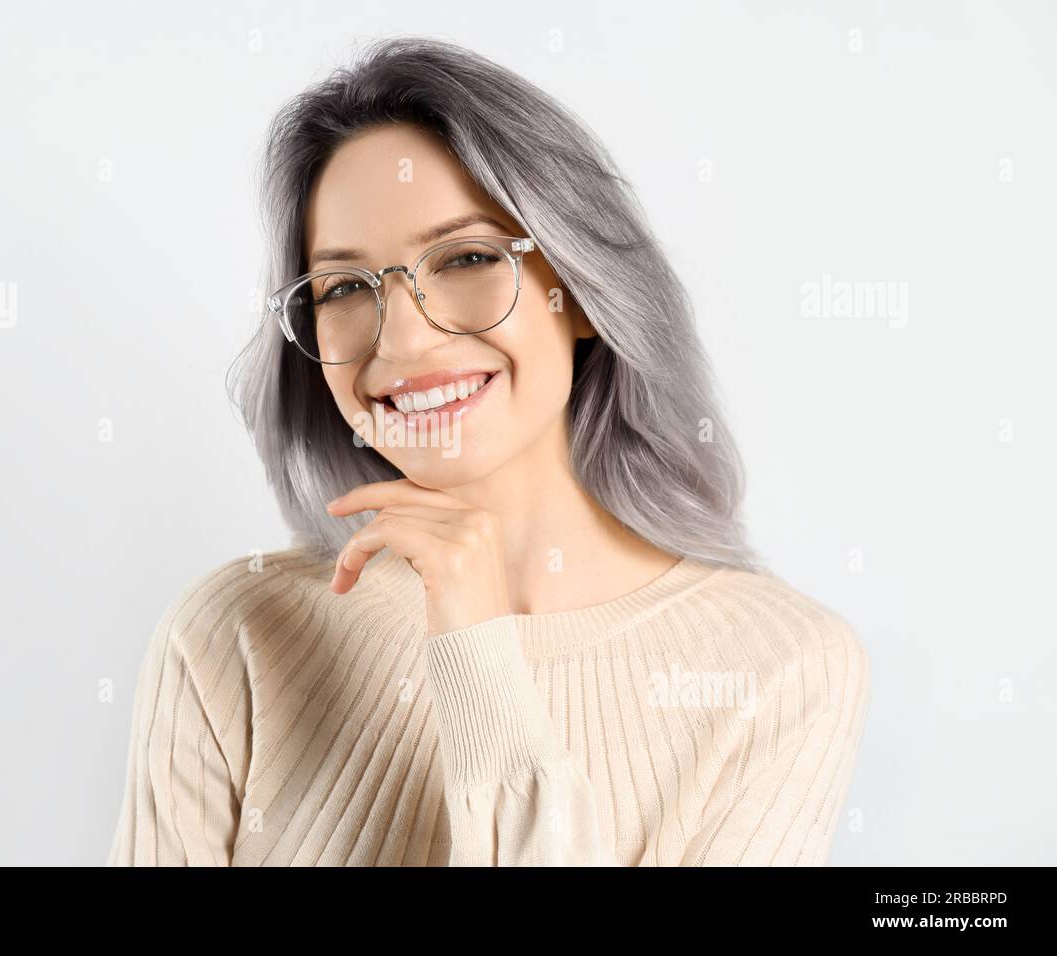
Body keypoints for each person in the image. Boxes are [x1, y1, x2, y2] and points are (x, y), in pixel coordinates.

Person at [106, 36, 870, 866]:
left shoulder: (781, 667)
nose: (400, 340)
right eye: (344, 288)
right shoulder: (237, 632)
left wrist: (475, 645)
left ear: (580, 289)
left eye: (467, 258)